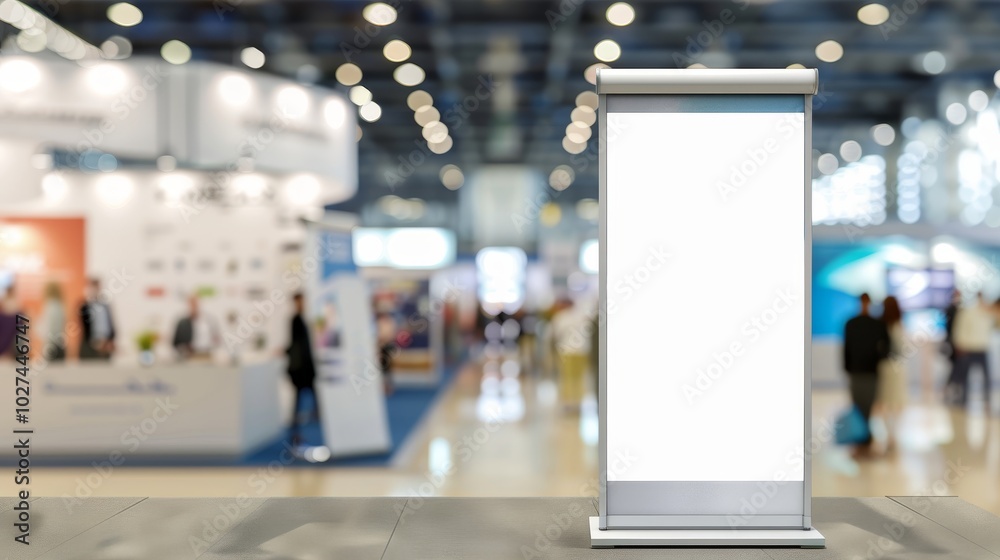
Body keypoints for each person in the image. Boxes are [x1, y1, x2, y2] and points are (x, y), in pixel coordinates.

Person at [843, 293, 890, 458]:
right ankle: (861, 437)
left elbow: (886, 347)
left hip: (871, 371)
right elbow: (846, 348)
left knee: (869, 405)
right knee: (857, 404)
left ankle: (865, 438)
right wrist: (847, 368)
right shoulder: (851, 324)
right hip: (857, 371)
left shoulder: (877, 325)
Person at [950, 292, 995, 408]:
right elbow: (959, 329)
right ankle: (963, 400)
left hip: (982, 348)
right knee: (964, 377)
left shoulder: (987, 313)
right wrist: (959, 345)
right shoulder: (968, 312)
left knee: (986, 378)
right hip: (969, 348)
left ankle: (987, 402)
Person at [285, 292, 319, 446]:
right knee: (298, 402)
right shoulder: (295, 320)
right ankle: (295, 434)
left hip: (307, 367)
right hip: (301, 369)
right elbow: (295, 345)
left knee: (311, 401)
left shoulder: (303, 319)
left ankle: (300, 432)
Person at [876, 296, 907, 452]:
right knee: (896, 402)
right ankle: (892, 434)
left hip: (883, 366)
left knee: (884, 401)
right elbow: (902, 348)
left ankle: (889, 432)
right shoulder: (898, 325)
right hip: (896, 366)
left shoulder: (881, 325)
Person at [172, 295, 220, 360]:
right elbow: (176, 342)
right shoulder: (182, 322)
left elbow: (216, 338)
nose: (194, 306)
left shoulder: (209, 320)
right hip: (189, 356)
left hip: (207, 354)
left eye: (195, 304)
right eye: (191, 304)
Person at [79, 278, 116, 360]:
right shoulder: (84, 306)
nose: (94, 290)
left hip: (105, 345)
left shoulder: (105, 306)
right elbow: (83, 328)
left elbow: (110, 324)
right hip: (89, 346)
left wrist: (110, 340)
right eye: (92, 287)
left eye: (96, 287)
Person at [41, 281, 67, 362]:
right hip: (60, 342)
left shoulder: (50, 306)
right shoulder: (60, 305)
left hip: (52, 344)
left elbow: (49, 328)